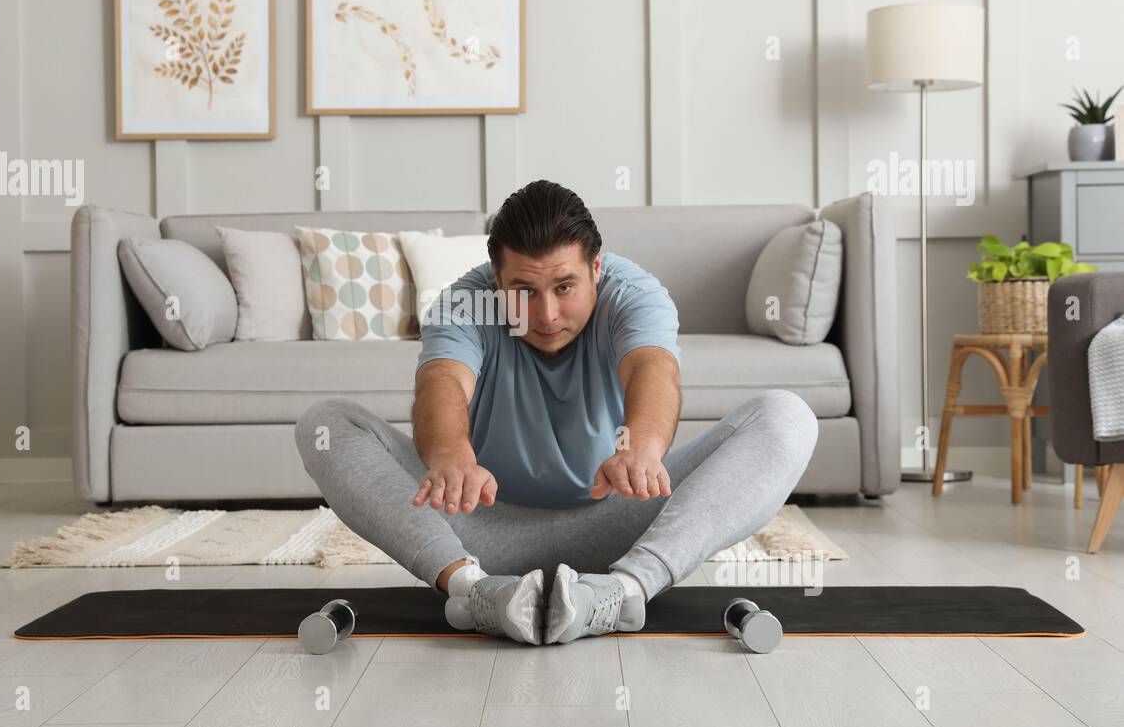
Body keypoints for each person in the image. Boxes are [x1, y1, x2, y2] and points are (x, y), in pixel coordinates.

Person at [295, 180, 818, 645]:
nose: (546, 315)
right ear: (496, 279)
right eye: (524, 290)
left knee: (786, 414)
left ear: (596, 268)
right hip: (477, 522)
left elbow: (652, 369)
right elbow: (443, 380)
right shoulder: (466, 302)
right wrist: (452, 455)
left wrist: (639, 448)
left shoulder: (634, 293)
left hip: (620, 519)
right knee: (327, 422)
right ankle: (474, 592)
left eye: (564, 287)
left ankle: (623, 592)